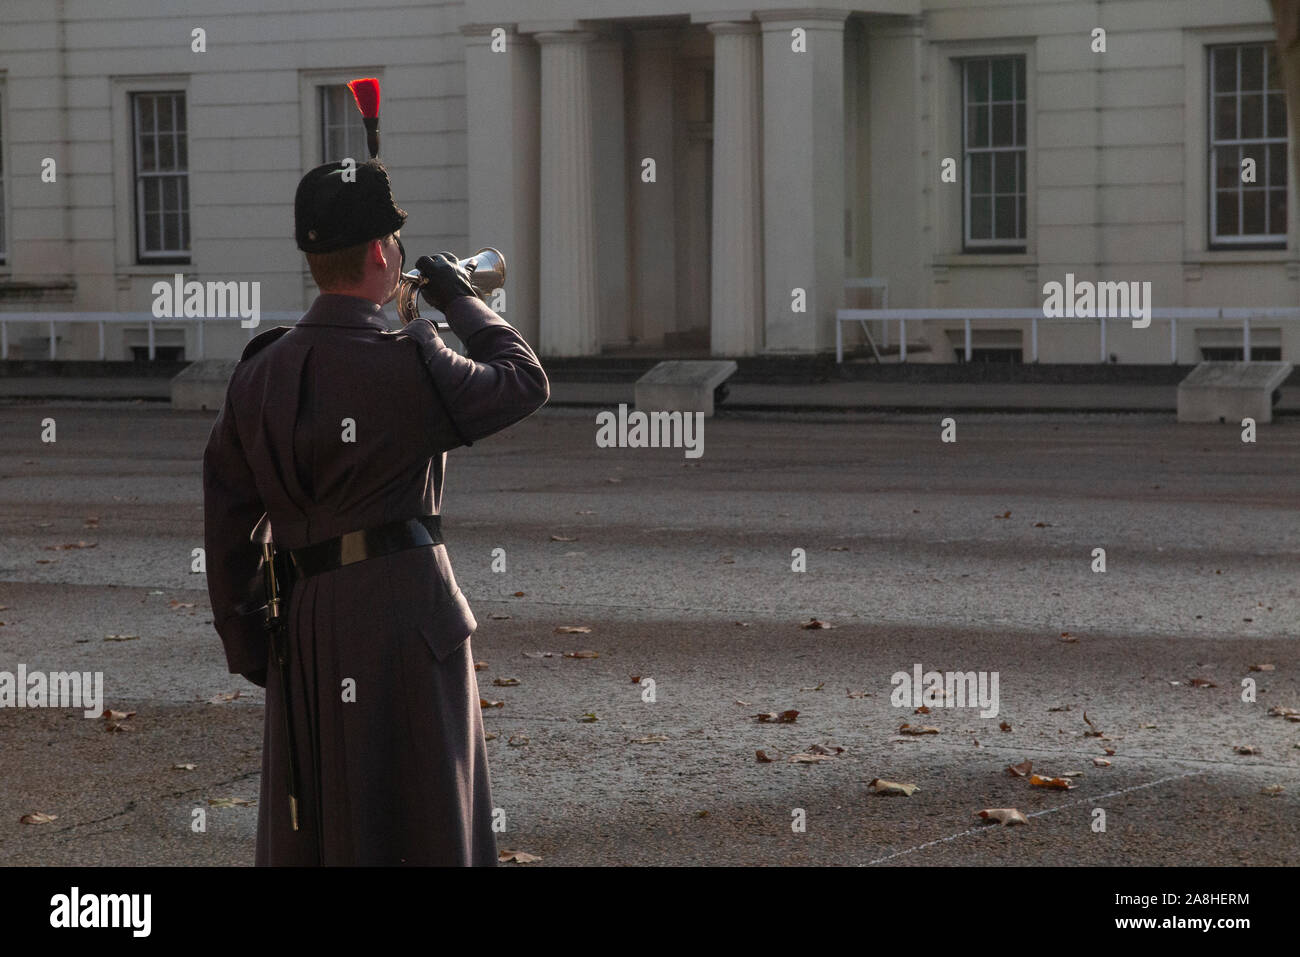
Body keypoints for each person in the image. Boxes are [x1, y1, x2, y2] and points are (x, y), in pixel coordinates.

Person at [201, 158, 549, 865]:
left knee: (320, 826)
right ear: (381, 253)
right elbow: (522, 379)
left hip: (303, 619)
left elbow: (227, 520)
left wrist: (251, 642)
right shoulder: (410, 360)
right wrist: (456, 299)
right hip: (404, 616)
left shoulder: (258, 371)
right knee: (419, 823)